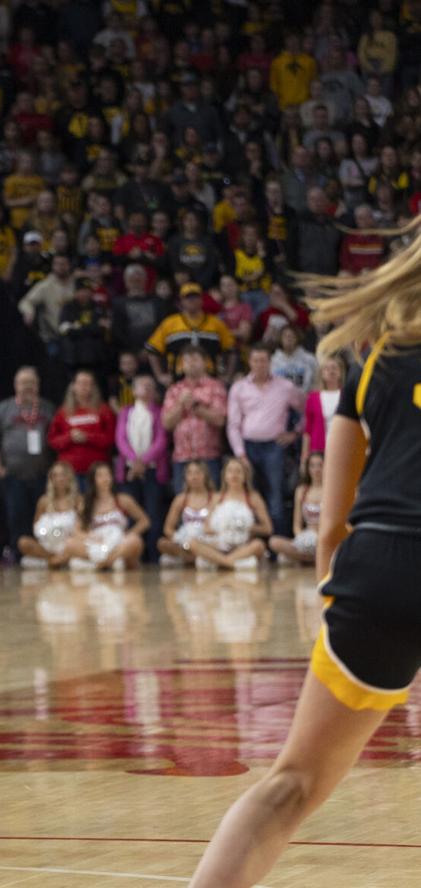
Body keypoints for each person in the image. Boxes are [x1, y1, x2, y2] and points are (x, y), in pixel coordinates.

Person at [189, 224, 421, 887]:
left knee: (288, 785)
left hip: (374, 574)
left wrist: (334, 601)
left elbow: (330, 523)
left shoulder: (373, 360)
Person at [228, 343, 305, 537]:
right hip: (248, 447)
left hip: (274, 447)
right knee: (250, 496)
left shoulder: (286, 387)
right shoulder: (239, 388)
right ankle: (253, 543)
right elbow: (233, 424)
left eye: (263, 360)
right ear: (249, 362)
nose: (260, 364)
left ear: (270, 362)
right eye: (256, 360)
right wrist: (240, 454)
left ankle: (278, 545)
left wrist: (295, 433)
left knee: (275, 496)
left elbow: (307, 411)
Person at [0, 366, 56, 562]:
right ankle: (18, 556)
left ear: (38, 385)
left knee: (43, 518)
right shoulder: (4, 408)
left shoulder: (47, 408)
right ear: (15, 385)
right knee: (16, 518)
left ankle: (41, 556)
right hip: (13, 476)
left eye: (31, 383)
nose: (27, 386)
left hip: (42, 475)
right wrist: (0, 470)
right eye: (23, 382)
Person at [113, 375, 168, 561]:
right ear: (133, 391)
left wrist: (142, 461)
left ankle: (153, 557)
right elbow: (120, 439)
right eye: (142, 385)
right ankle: (132, 555)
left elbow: (161, 440)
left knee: (153, 514)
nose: (146, 388)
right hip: (129, 471)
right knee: (131, 515)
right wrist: (133, 461)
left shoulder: (159, 412)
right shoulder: (125, 412)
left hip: (152, 470)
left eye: (150, 386)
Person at [162, 344, 228, 493]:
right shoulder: (175, 390)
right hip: (182, 457)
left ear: (205, 363)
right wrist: (180, 404)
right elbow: (167, 423)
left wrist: (196, 407)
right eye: (187, 360)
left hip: (209, 456)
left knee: (212, 501)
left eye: (195, 359)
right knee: (183, 502)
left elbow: (220, 420)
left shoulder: (215, 387)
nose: (191, 363)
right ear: (182, 365)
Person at [185, 457, 272, 570]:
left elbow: (267, 528)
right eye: (230, 471)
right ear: (225, 475)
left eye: (238, 471)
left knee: (259, 545)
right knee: (192, 543)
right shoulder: (217, 498)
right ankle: (231, 563)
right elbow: (206, 528)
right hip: (220, 543)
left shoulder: (253, 497)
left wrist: (241, 526)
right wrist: (224, 526)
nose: (234, 475)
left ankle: (219, 561)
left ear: (245, 476)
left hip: (243, 544)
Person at [61, 462, 149, 570]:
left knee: (135, 541)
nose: (105, 479)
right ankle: (109, 562)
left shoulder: (122, 499)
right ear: (93, 479)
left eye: (108, 475)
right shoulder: (85, 502)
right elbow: (76, 531)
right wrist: (90, 537)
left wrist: (128, 534)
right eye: (100, 475)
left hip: (118, 543)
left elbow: (144, 521)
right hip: (97, 544)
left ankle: (104, 563)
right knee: (69, 544)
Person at [145, 282, 236, 383]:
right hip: (178, 379)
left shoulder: (216, 323)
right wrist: (160, 376)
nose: (191, 300)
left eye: (195, 297)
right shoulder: (169, 323)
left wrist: (228, 375)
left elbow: (231, 350)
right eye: (187, 297)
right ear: (181, 301)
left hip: (210, 378)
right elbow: (152, 350)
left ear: (202, 300)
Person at [47, 370, 115, 488]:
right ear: (73, 386)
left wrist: (88, 437)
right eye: (81, 383)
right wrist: (70, 437)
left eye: (88, 383)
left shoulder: (104, 410)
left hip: (96, 471)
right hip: (70, 472)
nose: (85, 387)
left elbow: (111, 438)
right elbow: (53, 441)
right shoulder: (62, 412)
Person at [16, 460, 81, 569]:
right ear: (51, 479)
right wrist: (48, 533)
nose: (60, 479)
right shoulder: (44, 501)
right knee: (23, 542)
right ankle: (54, 559)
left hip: (68, 543)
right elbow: (36, 527)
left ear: (69, 477)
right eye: (55, 475)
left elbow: (82, 527)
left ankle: (54, 561)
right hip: (48, 544)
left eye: (63, 475)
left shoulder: (78, 500)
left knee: (76, 546)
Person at [157, 461, 217, 566]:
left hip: (207, 539)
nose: (194, 477)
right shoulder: (180, 499)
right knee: (162, 543)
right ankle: (196, 558)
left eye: (198, 473)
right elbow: (168, 528)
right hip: (185, 541)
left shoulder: (215, 497)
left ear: (205, 475)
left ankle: (190, 558)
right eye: (190, 473)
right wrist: (181, 538)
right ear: (185, 477)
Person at [269, 451, 324, 566]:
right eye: (312, 465)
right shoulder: (301, 491)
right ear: (307, 468)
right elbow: (297, 525)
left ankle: (307, 559)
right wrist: (302, 539)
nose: (316, 469)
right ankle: (314, 559)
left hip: (325, 538)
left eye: (320, 465)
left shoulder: (332, 490)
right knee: (274, 542)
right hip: (308, 537)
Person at [301, 353, 345, 472]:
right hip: (319, 449)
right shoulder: (313, 397)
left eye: (335, 368)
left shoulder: (347, 395)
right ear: (321, 373)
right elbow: (308, 430)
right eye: (327, 369)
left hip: (342, 447)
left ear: (341, 372)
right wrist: (304, 455)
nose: (331, 372)